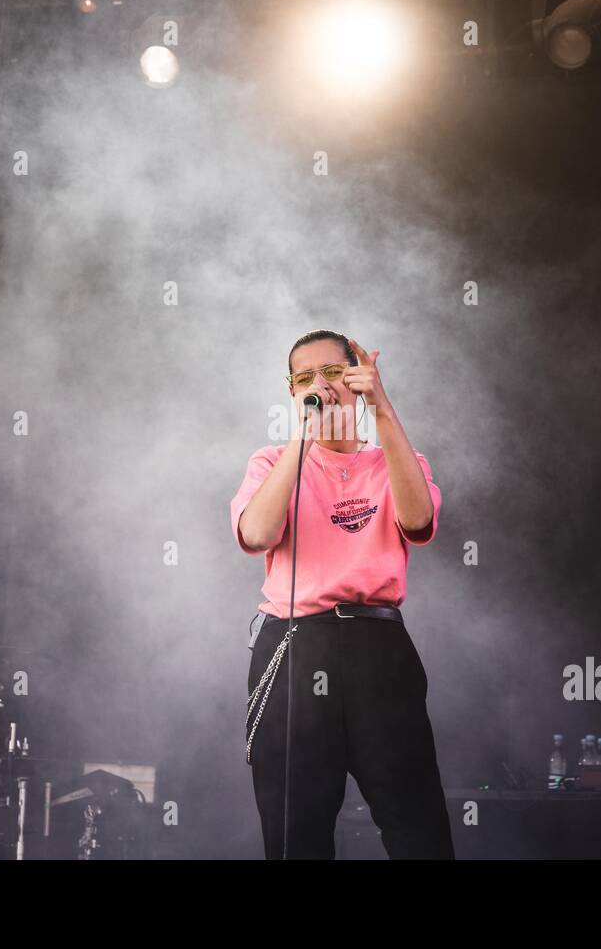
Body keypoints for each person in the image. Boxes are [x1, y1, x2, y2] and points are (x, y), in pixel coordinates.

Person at [231, 328, 454, 859]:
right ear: (290, 390)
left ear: (358, 379)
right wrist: (303, 438)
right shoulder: (270, 462)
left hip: (377, 644)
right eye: (304, 377)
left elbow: (418, 521)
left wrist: (381, 405)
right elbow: (257, 534)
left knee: (415, 821)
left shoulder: (396, 460)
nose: (320, 386)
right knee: (295, 829)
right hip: (294, 645)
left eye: (333, 371)